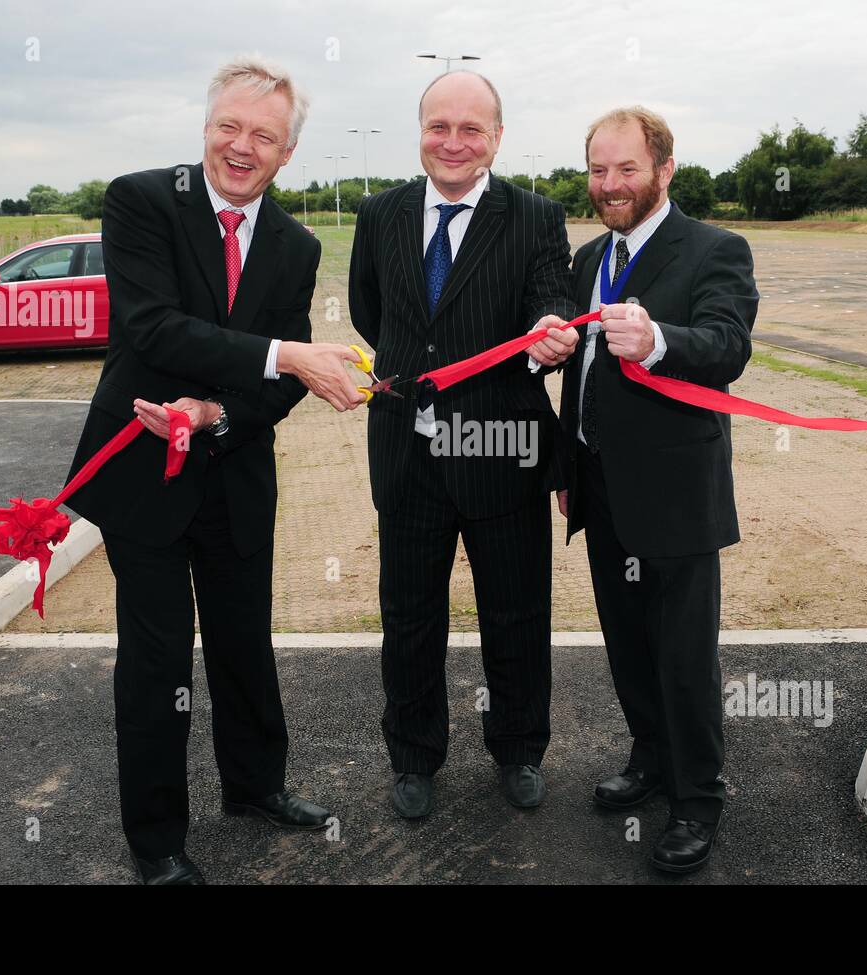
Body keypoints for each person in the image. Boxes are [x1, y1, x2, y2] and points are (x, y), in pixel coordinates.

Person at [63, 54, 366, 885]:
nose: (242, 146)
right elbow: (154, 330)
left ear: (287, 154)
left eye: (263, 135)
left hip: (233, 471)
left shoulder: (297, 245)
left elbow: (275, 391)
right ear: (206, 128)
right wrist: (286, 355)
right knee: (158, 659)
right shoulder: (142, 200)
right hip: (141, 479)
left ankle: (257, 784)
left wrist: (220, 414)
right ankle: (156, 839)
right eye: (229, 127)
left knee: (244, 642)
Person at [528, 106, 758, 874]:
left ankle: (697, 798)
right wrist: (565, 457)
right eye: (598, 170)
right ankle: (651, 760)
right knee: (628, 645)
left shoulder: (715, 249)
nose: (610, 184)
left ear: (664, 170)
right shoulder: (591, 256)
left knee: (684, 655)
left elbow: (727, 346)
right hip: (597, 483)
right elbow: (577, 368)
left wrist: (660, 341)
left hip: (676, 494)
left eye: (626, 169)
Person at [348, 71, 577, 819]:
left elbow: (553, 297)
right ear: (419, 131)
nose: (453, 141)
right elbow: (370, 312)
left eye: (471, 129)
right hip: (408, 455)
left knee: (515, 612)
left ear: (497, 138)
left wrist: (550, 335)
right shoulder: (379, 213)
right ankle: (414, 756)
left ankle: (518, 749)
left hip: (502, 450)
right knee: (409, 614)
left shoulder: (537, 216)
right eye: (439, 126)